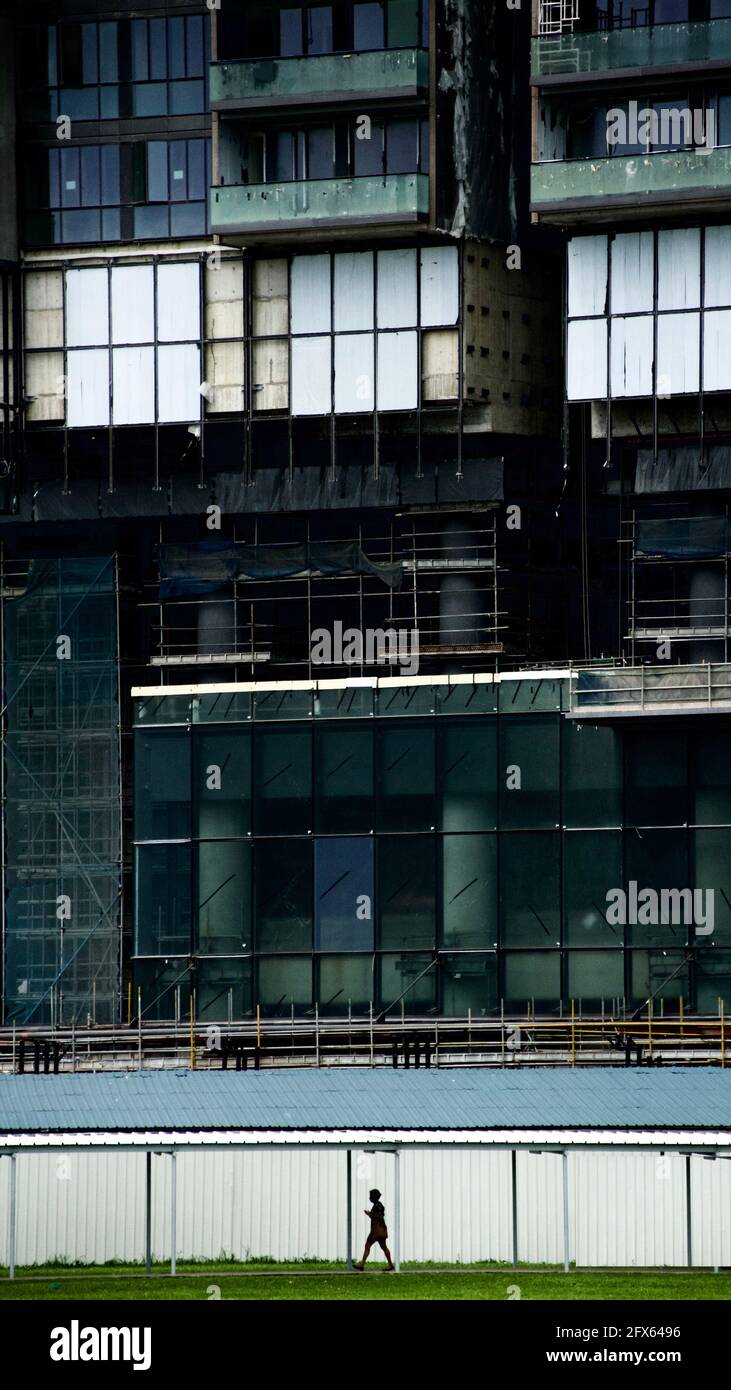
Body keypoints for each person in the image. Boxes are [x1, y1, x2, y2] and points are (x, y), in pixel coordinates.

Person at [352, 1188, 395, 1271]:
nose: (370, 1198)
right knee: (384, 1247)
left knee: (367, 1245)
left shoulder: (378, 1206)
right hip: (381, 1231)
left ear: (374, 1197)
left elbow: (379, 1216)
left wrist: (369, 1214)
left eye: (371, 1196)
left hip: (376, 1232)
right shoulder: (378, 1205)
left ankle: (362, 1264)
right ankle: (390, 1264)